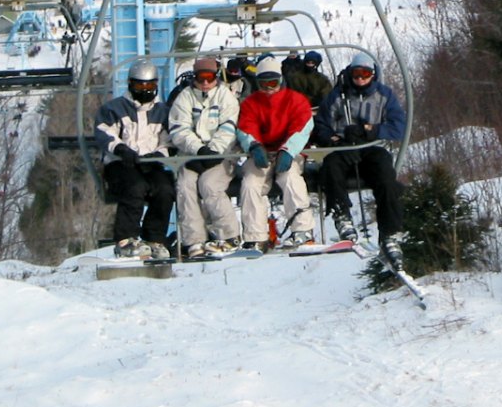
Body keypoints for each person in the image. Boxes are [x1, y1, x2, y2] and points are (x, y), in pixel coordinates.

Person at [316, 52, 407, 268]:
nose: (360, 79)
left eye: (365, 74)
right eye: (356, 74)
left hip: (372, 148)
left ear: (373, 75)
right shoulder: (338, 95)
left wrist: (371, 130)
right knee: (331, 167)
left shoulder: (384, 95)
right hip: (344, 148)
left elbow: (398, 127)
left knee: (387, 178)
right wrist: (334, 140)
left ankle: (390, 233)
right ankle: (342, 215)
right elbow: (321, 125)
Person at [95, 62, 176, 260]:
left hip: (151, 164)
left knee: (165, 189)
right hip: (121, 164)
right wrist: (121, 149)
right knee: (135, 187)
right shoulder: (114, 108)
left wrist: (159, 154)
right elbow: (103, 131)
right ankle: (126, 239)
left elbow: (171, 139)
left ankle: (154, 238)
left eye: (149, 86)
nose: (145, 90)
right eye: (140, 86)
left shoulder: (162, 111)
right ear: (130, 84)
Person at [234, 56, 315, 250]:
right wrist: (253, 146)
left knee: (290, 179)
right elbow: (246, 127)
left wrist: (288, 150)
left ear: (281, 81)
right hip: (261, 154)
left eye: (273, 83)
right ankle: (256, 235)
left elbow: (302, 126)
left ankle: (302, 230)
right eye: (264, 83)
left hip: (288, 153)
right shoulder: (251, 103)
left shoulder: (295, 100)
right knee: (250, 183)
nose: (269, 88)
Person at [166, 55, 242, 260]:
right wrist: (198, 150)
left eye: (209, 77)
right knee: (185, 185)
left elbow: (229, 126)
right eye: (201, 78)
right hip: (192, 155)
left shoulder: (225, 97)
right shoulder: (185, 98)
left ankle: (229, 235)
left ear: (216, 76)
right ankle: (194, 240)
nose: (206, 83)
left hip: (222, 155)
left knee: (209, 185)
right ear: (195, 78)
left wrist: (215, 151)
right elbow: (179, 129)